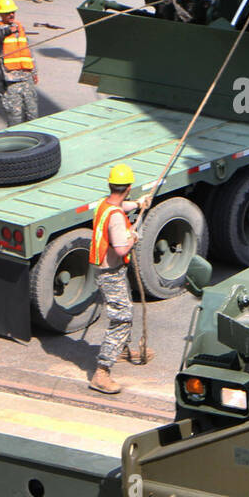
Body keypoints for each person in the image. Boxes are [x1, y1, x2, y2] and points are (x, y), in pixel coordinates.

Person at [87, 164, 153, 394]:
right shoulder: (115, 218)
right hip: (110, 272)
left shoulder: (105, 206)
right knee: (122, 317)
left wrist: (138, 204)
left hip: (107, 269)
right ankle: (102, 372)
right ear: (129, 187)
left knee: (125, 306)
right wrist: (133, 236)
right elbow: (122, 248)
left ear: (111, 185)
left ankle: (122, 349)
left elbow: (119, 206)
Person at [0, 0, 39, 125]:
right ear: (1, 14)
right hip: (11, 79)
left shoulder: (19, 27)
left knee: (32, 113)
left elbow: (28, 50)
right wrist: (8, 30)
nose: (11, 15)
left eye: (13, 12)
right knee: (15, 115)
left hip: (26, 76)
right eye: (7, 13)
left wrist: (34, 71)